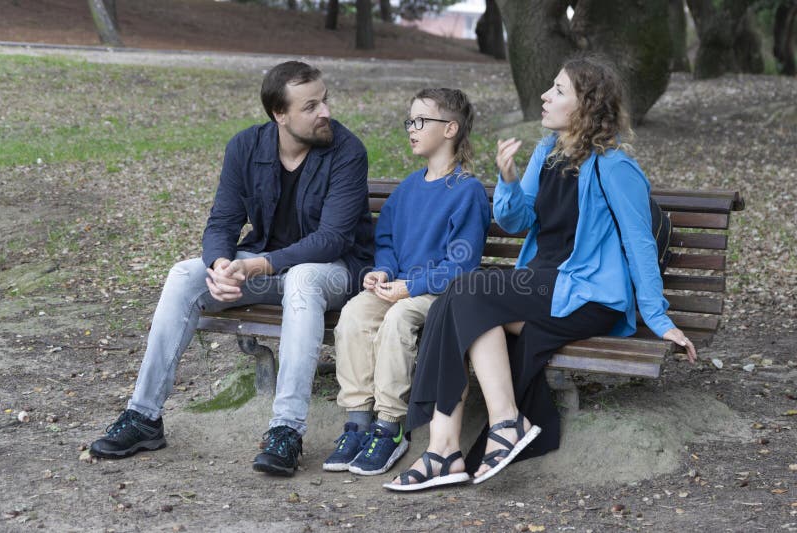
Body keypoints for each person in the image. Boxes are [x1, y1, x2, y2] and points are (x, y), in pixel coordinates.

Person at [384, 54, 697, 492]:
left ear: (586, 105)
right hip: (543, 284)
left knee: (468, 292)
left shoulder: (615, 166)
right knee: (457, 302)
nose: (546, 96)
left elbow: (640, 243)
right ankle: (444, 450)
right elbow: (515, 220)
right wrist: (508, 180)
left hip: (588, 296)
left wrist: (660, 320)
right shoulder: (547, 152)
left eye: (559, 91)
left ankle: (504, 425)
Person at [89, 61, 374, 477]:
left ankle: (286, 430)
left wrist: (258, 265)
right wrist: (222, 265)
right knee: (186, 274)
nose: (325, 111)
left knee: (303, 277)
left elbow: (331, 239)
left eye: (325, 100)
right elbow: (222, 222)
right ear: (280, 114)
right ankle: (144, 416)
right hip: (266, 268)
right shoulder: (246, 147)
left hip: (333, 272)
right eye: (311, 105)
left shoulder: (347, 151)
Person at [322, 88, 491, 476]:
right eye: (409, 122)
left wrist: (409, 288)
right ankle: (358, 420)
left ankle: (390, 426)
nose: (411, 130)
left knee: (398, 319)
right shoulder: (408, 189)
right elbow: (387, 243)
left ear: (450, 128)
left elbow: (461, 266)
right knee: (353, 315)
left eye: (420, 122)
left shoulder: (466, 192)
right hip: (399, 286)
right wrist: (382, 270)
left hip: (441, 295)